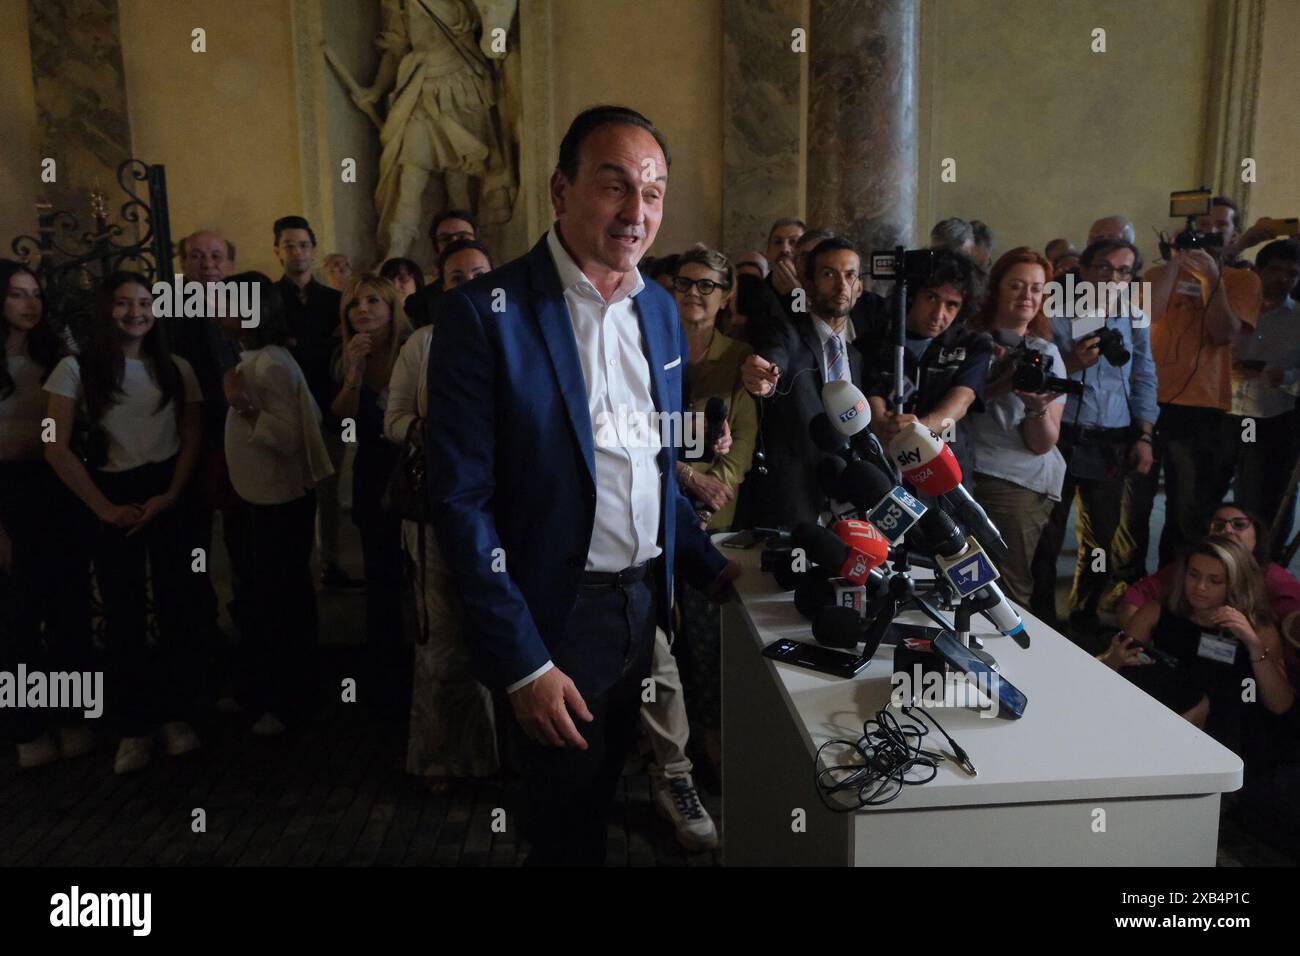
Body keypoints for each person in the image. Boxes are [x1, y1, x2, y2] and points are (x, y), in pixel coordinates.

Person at [425, 105, 738, 866]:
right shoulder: (485, 313)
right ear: (561, 190)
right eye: (615, 187)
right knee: (561, 829)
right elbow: (461, 502)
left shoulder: (660, 312)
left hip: (642, 605)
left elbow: (653, 466)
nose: (638, 213)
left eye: (656, 193)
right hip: (556, 618)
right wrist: (524, 663)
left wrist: (709, 565)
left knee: (608, 799)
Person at [44, 272, 205, 775]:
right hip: (109, 493)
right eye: (123, 303)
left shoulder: (176, 367)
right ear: (104, 309)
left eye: (144, 303)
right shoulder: (73, 369)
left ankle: (178, 716)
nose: (135, 312)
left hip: (166, 491)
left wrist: (172, 494)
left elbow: (192, 434)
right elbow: (54, 442)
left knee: (179, 605)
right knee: (123, 614)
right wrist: (103, 508)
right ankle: (132, 727)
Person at [384, 246, 499, 796]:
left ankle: (504, 755)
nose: (470, 283)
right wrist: (430, 431)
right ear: (442, 287)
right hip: (435, 513)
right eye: (459, 278)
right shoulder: (422, 343)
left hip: (504, 513)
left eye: (480, 274)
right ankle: (441, 758)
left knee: (501, 631)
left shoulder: (517, 336)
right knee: (443, 639)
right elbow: (394, 420)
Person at [653, 244, 756, 849]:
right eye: (685, 283)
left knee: (709, 642)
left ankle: (712, 745)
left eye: (708, 285)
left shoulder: (740, 359)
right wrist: (687, 478)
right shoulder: (649, 348)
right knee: (660, 641)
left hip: (716, 518)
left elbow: (742, 439)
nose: (694, 294)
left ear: (724, 296)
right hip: (657, 516)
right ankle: (664, 753)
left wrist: (720, 482)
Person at [218, 273, 333, 736]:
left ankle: (289, 702)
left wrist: (243, 407)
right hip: (262, 497)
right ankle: (272, 694)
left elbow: (290, 438)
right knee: (270, 597)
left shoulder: (268, 365)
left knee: (280, 600)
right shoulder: (257, 358)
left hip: (276, 501)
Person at [1030, 239, 1157, 633]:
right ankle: (1040, 620)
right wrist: (1071, 362)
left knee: (1101, 538)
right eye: (1104, 267)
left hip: (1112, 439)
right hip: (1062, 433)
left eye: (1123, 271)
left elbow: (1144, 377)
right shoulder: (1056, 311)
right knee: (1047, 536)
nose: (1113, 278)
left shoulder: (1134, 317)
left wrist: (1145, 435)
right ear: (1084, 270)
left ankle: (1084, 618)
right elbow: (1036, 377)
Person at [0, 260, 94, 768]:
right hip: (6, 491)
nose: (29, 303)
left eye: (35, 293)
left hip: (55, 484)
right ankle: (28, 725)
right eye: (16, 294)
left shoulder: (57, 353)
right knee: (16, 616)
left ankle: (74, 715)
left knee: (68, 605)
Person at [1147, 195, 1262, 565]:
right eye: (1204, 226)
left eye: (1220, 227)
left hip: (1201, 406)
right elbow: (1148, 314)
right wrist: (1175, 262)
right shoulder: (1158, 273)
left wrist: (1212, 279)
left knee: (1187, 511)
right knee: (1132, 505)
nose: (1210, 233)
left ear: (1235, 234)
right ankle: (1124, 586)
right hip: (1146, 401)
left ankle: (1178, 590)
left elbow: (1223, 334)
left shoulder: (1243, 280)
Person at [1102, 536, 1292, 752]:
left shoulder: (1258, 627)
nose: (1200, 587)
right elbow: (1106, 676)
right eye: (1193, 575)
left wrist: (1254, 645)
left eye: (1215, 580)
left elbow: (1280, 705)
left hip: (1233, 726)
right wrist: (1115, 661)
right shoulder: (1156, 612)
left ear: (1236, 583)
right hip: (1167, 711)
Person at [168, 229, 249, 709]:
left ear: (230, 263)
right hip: (188, 446)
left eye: (216, 256)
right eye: (196, 256)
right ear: (183, 263)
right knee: (191, 554)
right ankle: (202, 659)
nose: (207, 264)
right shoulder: (166, 311)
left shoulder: (246, 305)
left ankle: (246, 662)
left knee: (245, 553)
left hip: (241, 446)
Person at [741, 237, 869, 529]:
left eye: (850, 276)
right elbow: (775, 355)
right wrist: (763, 379)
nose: (841, 286)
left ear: (860, 287)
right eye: (828, 274)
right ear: (807, 284)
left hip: (849, 501)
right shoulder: (787, 332)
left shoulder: (857, 356)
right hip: (794, 499)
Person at [964, 248, 1067, 605]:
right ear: (996, 289)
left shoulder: (1047, 354)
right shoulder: (965, 341)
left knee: (1005, 585)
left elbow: (1042, 444)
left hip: (1016, 480)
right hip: (960, 471)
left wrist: (1036, 407)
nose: (1027, 296)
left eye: (1037, 289)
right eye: (1017, 286)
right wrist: (999, 383)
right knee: (957, 574)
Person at [331, 274, 412, 702]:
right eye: (354, 304)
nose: (362, 309)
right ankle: (386, 677)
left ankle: (425, 671)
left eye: (373, 300)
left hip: (414, 470)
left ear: (391, 306)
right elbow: (342, 423)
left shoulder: (412, 348)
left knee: (419, 574)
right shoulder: (344, 355)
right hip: (372, 470)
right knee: (380, 578)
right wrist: (353, 375)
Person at [273, 215, 357, 590]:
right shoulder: (269, 300)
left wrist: (303, 346)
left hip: (329, 406)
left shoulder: (336, 301)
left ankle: (331, 563)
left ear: (313, 250)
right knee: (291, 492)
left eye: (303, 245)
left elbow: (342, 354)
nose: (297, 252)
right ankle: (296, 568)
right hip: (286, 411)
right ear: (277, 251)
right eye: (289, 245)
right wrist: (319, 344)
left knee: (328, 491)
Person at [858, 248, 991, 482]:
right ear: (911, 294)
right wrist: (882, 425)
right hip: (884, 470)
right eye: (931, 297)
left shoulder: (973, 345)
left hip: (946, 471)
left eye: (951, 305)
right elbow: (872, 393)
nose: (939, 314)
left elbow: (961, 402)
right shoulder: (873, 342)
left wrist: (920, 429)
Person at [1117, 503, 1300, 633]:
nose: (1228, 530)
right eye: (1218, 525)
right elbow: (1137, 595)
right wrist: (1139, 636)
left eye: (1239, 524)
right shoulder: (1192, 563)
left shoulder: (1278, 582)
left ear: (1257, 534)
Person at [1230, 240, 1300, 540]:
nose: (1282, 279)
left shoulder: (1298, 317)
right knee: (1202, 494)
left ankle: (1264, 565)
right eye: (1274, 270)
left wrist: (1284, 376)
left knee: (1262, 498)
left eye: (1292, 273)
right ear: (1257, 271)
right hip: (1224, 413)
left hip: (1271, 418)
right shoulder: (1232, 307)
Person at [403, 209, 479, 329]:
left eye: (463, 236)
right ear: (437, 248)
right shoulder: (418, 304)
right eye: (446, 239)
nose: (455, 243)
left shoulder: (502, 291)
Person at [764, 217, 805, 299]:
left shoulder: (818, 290)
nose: (784, 249)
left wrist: (798, 294)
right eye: (778, 242)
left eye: (793, 241)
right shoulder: (756, 292)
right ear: (768, 251)